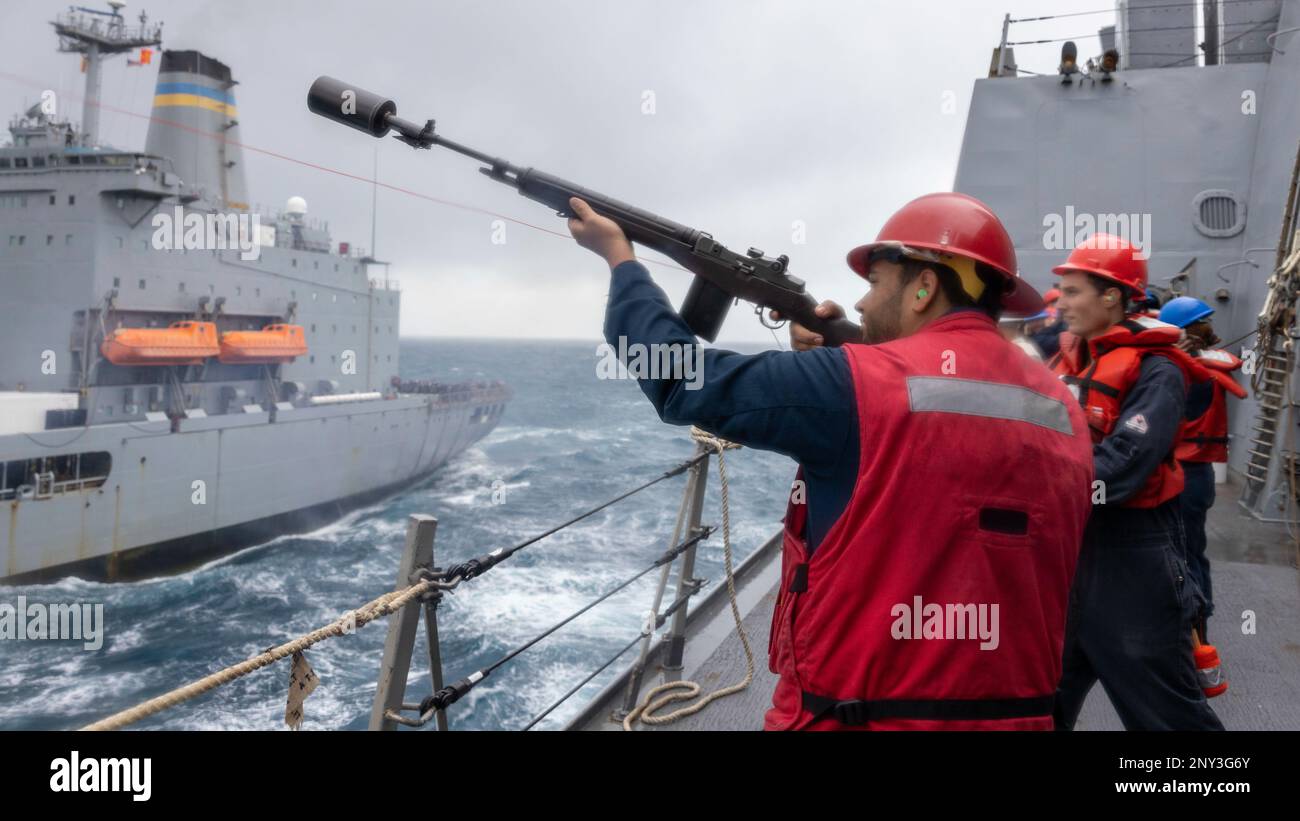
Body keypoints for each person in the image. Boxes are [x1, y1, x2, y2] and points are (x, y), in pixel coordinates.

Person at [567, 191, 1094, 730]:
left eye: (874, 284)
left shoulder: (852, 386)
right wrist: (844, 359)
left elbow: (678, 378)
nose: (861, 305)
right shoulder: (1063, 406)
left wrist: (621, 261)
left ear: (924, 287)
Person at [1047, 233, 1224, 730]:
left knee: (1165, 712)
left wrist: (1040, 486)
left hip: (1133, 557)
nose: (1062, 300)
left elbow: (1125, 465)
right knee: (1037, 700)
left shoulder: (1157, 369)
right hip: (1067, 556)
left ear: (1112, 296)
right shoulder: (1069, 362)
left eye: (1075, 290)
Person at [1159, 296, 1248, 639]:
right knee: (1192, 552)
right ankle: (1196, 623)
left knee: (1181, 555)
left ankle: (1195, 632)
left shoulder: (1189, 372)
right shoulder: (1210, 366)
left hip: (1183, 476)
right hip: (1199, 477)